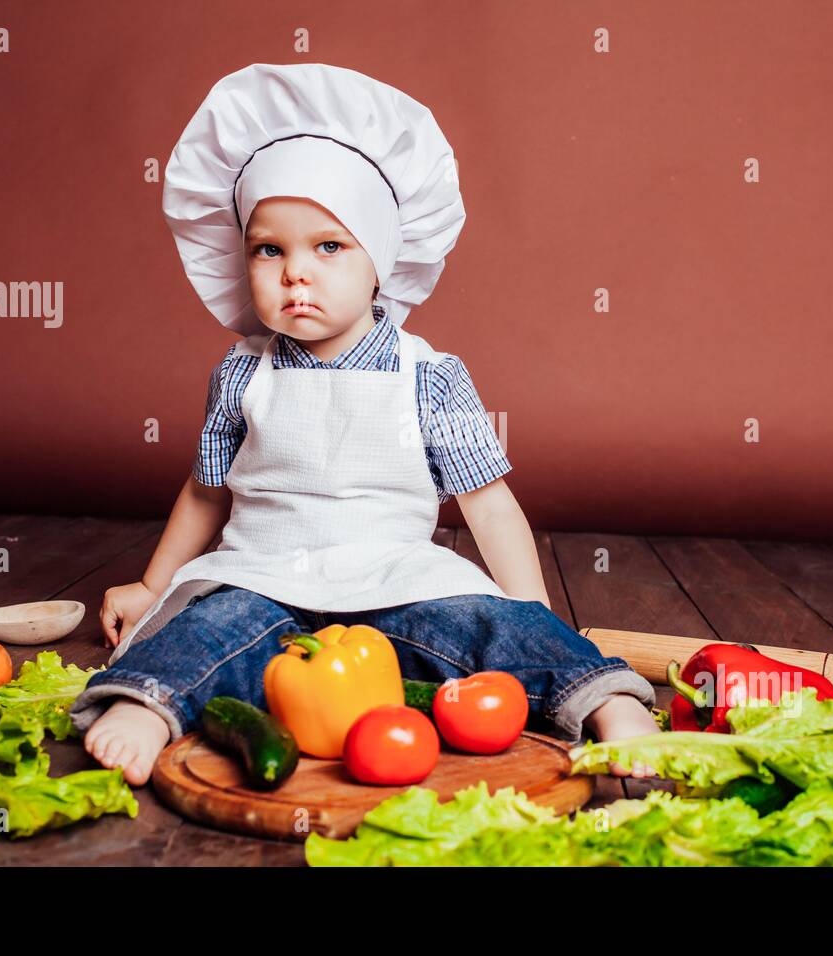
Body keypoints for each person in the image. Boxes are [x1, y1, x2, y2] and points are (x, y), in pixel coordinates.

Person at [69, 63, 659, 786]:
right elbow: (204, 493)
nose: (295, 274)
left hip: (400, 584)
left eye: (329, 247)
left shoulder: (429, 377)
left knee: (494, 629)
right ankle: (147, 706)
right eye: (268, 249)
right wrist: (153, 585)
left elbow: (488, 503)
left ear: (381, 262)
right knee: (204, 632)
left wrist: (531, 610)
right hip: (262, 584)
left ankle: (605, 703)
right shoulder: (241, 372)